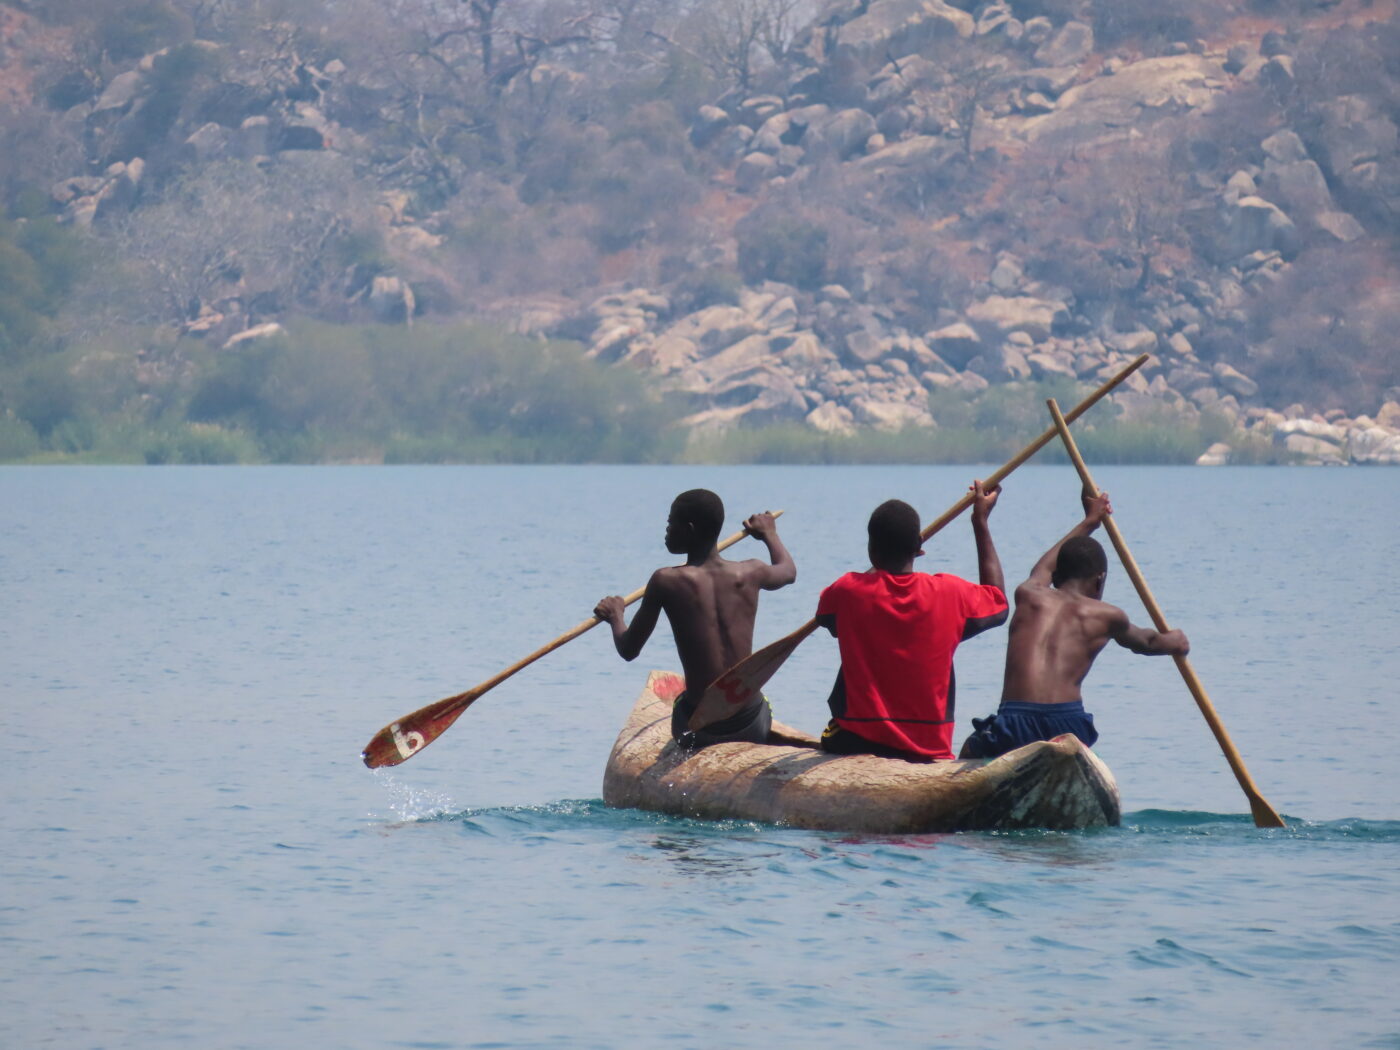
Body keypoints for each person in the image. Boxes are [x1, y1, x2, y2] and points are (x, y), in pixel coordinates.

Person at [959, 490, 1190, 759]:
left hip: (1015, 722)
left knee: (970, 750)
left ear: (1056, 575)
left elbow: (1044, 567)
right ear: (1099, 580)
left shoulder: (1029, 594)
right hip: (1066, 724)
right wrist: (1177, 642)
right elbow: (1147, 642)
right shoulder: (1107, 615)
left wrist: (1090, 522)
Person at [815, 481, 1009, 762]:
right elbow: (999, 603)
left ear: (871, 550)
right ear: (919, 548)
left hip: (856, 739)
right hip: (928, 747)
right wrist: (981, 523)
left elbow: (826, 618)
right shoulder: (951, 594)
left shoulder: (846, 590)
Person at [593, 489, 796, 749]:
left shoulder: (666, 581)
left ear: (689, 529)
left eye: (670, 523)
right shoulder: (751, 571)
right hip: (750, 721)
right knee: (759, 700)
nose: (666, 530)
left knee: (681, 702)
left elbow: (628, 649)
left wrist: (615, 616)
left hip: (700, 728)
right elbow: (788, 571)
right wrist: (769, 534)